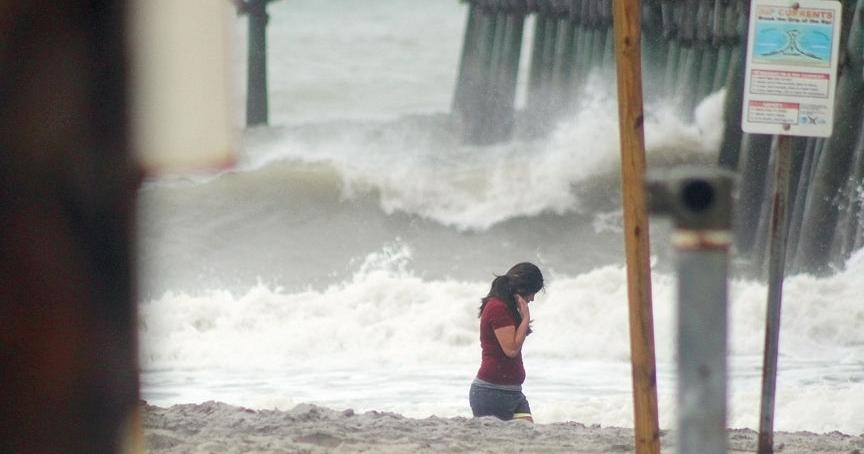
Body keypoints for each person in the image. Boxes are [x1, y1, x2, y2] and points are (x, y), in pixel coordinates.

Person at [468, 262, 544, 422]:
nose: (532, 298)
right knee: (497, 444)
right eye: (532, 292)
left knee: (527, 438)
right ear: (523, 287)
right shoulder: (497, 308)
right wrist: (526, 319)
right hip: (491, 392)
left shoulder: (507, 308)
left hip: (514, 393)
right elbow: (511, 349)